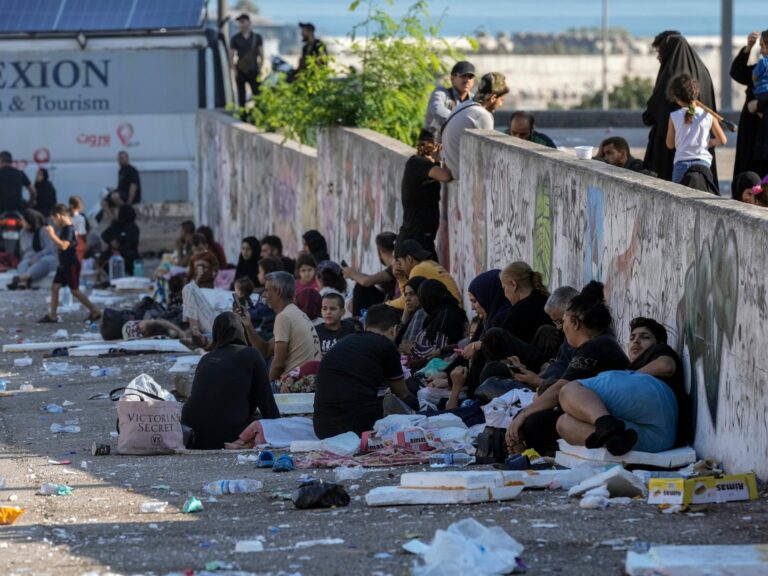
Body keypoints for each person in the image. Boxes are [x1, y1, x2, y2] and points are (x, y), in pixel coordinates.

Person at [506, 285, 630, 455]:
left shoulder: (595, 346)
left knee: (533, 422)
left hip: (612, 415)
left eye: (562, 322)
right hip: (603, 414)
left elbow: (561, 388)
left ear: (575, 323)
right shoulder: (598, 342)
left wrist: (524, 415)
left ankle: (534, 454)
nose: (560, 328)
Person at [557, 316, 689, 455]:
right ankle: (611, 438)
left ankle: (604, 422)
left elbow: (666, 366)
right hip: (662, 439)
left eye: (645, 337)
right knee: (564, 423)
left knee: (568, 390)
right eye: (632, 338)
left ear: (658, 342)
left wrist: (628, 375)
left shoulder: (658, 350)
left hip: (658, 397)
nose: (636, 341)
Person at [313, 304, 416, 438]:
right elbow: (402, 393)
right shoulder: (386, 345)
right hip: (357, 427)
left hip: (322, 428)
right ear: (394, 330)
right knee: (411, 399)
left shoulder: (345, 341)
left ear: (366, 326)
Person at [181, 312, 280, 450]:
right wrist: (279, 428)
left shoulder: (206, 358)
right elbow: (266, 401)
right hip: (228, 435)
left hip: (195, 435)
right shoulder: (251, 355)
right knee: (258, 422)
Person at [642, 33, 718, 184]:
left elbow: (651, 114)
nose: (658, 57)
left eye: (659, 52)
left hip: (671, 155)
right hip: (701, 155)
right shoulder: (703, 72)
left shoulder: (670, 76)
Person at [242, 271, 321, 382]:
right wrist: (248, 324)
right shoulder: (296, 313)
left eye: (267, 290)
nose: (263, 295)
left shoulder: (284, 317)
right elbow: (265, 351)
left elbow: (278, 365)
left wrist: (267, 388)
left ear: (278, 292)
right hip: (305, 383)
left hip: (295, 386)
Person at [396, 128, 453, 260]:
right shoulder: (418, 163)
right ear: (438, 147)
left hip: (417, 240)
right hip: (416, 242)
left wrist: (437, 160)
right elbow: (446, 176)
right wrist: (442, 159)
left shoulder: (418, 164)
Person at [441, 72, 509, 180]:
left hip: (451, 172)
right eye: (501, 100)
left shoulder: (464, 105)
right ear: (493, 98)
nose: (501, 105)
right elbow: (488, 156)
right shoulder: (482, 115)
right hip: (462, 177)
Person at [39, 204, 100, 323]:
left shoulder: (69, 229)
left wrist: (51, 234)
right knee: (55, 288)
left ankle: (94, 311)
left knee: (74, 290)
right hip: (63, 265)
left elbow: (64, 246)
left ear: (58, 216)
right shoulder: (66, 229)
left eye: (54, 219)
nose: (54, 222)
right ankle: (52, 315)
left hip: (70, 264)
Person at [665, 73, 727, 184]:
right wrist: (708, 142)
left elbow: (670, 145)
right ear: (696, 93)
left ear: (677, 98)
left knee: (678, 194)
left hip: (681, 165)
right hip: (703, 165)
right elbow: (722, 140)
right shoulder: (708, 115)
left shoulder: (674, 116)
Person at [730, 31, 768, 188]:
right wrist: (748, 48)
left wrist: (759, 106)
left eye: (764, 46)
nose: (761, 51)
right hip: (751, 134)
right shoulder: (761, 68)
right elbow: (737, 72)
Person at [387, 239, 461, 310]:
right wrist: (401, 278)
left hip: (450, 312)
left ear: (409, 259)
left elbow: (405, 302)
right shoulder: (429, 263)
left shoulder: (418, 269)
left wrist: (386, 304)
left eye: (400, 263)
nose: (401, 267)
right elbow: (407, 297)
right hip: (454, 310)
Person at [408, 279, 467, 365]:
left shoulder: (447, 316)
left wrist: (414, 349)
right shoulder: (434, 316)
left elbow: (440, 351)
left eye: (423, 299)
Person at [343, 232, 399, 316]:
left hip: (391, 310)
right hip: (389, 306)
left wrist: (351, 273)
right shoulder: (394, 266)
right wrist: (357, 276)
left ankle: (357, 322)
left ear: (380, 251)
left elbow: (366, 281)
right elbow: (373, 279)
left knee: (361, 287)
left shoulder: (395, 266)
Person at [498, 262, 553, 344]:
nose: (505, 294)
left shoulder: (518, 312)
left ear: (514, 284)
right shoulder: (545, 300)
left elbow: (501, 343)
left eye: (504, 288)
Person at [7, 209, 57, 290]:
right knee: (23, 264)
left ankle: (23, 278)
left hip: (45, 256)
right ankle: (23, 283)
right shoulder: (23, 232)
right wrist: (30, 260)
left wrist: (37, 257)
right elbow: (24, 251)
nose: (22, 222)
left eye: (24, 220)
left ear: (30, 221)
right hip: (30, 258)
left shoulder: (44, 230)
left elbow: (50, 248)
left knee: (45, 262)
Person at [423, 60, 476, 135]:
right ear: (452, 79)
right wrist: (463, 122)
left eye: (470, 77)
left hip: (456, 140)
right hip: (432, 140)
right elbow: (437, 110)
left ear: (473, 81)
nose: (467, 80)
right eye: (463, 76)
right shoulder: (441, 93)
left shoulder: (474, 100)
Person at [230, 13, 264, 108]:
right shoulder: (235, 38)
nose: (241, 25)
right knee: (241, 97)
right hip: (241, 70)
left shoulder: (257, 37)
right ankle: (243, 115)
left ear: (249, 23)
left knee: (258, 95)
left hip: (254, 70)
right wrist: (234, 70)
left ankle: (258, 113)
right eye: (240, 23)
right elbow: (231, 56)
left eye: (243, 22)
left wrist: (260, 69)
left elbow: (261, 54)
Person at [100, 205, 140, 276]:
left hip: (126, 252)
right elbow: (104, 234)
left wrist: (119, 248)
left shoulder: (133, 228)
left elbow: (130, 243)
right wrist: (111, 241)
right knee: (102, 257)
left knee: (129, 255)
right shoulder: (116, 225)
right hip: (114, 253)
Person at [102, 151, 140, 221]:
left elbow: (133, 188)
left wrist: (129, 203)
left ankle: (127, 211)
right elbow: (120, 186)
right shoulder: (121, 171)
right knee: (104, 202)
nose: (120, 160)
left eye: (122, 158)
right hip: (121, 193)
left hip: (131, 196)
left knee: (115, 197)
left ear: (127, 159)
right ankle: (113, 220)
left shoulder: (132, 171)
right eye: (119, 159)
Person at [398, 276, 428, 352]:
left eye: (411, 294)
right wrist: (404, 318)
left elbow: (408, 345)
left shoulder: (421, 312)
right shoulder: (414, 313)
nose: (407, 299)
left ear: (421, 293)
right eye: (406, 294)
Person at [748, 30, 768, 116]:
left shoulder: (763, 62)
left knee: (756, 109)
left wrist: (755, 83)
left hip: (761, 93)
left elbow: (754, 76)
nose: (760, 51)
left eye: (762, 46)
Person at [68, 196, 88, 263]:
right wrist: (86, 241)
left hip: (69, 245)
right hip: (79, 245)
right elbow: (82, 233)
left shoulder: (67, 217)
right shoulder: (80, 218)